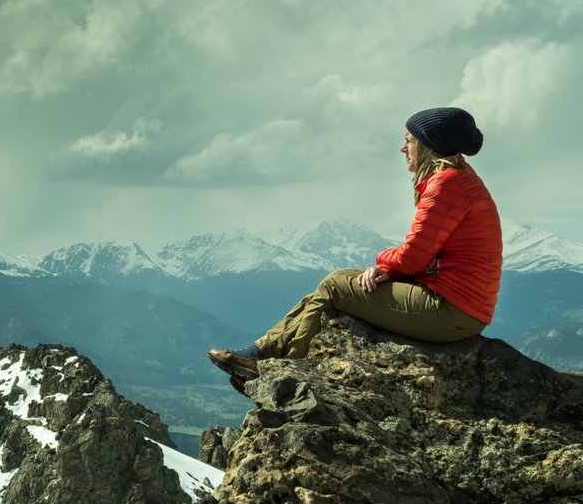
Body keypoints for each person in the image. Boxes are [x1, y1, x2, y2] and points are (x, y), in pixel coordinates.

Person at [208, 106, 503, 394]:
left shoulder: (447, 184)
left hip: (451, 311)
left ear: (429, 145)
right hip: (460, 306)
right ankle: (262, 354)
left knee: (337, 285)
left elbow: (414, 257)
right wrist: (390, 268)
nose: (403, 148)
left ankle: (280, 369)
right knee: (334, 285)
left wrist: (382, 264)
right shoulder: (459, 179)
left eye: (409, 141)